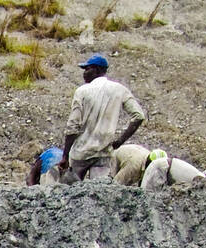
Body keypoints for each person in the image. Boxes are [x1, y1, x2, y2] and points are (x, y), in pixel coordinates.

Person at [58, 54, 145, 182]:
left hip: (80, 152)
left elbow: (73, 126)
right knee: (98, 192)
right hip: (104, 153)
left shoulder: (82, 91)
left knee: (69, 191)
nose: (84, 73)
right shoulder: (119, 89)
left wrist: (65, 156)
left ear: (97, 70)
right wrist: (120, 141)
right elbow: (139, 116)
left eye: (87, 69)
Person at [139, 149, 206, 191]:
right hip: (162, 167)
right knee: (147, 195)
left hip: (165, 167)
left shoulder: (198, 176)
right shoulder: (201, 181)